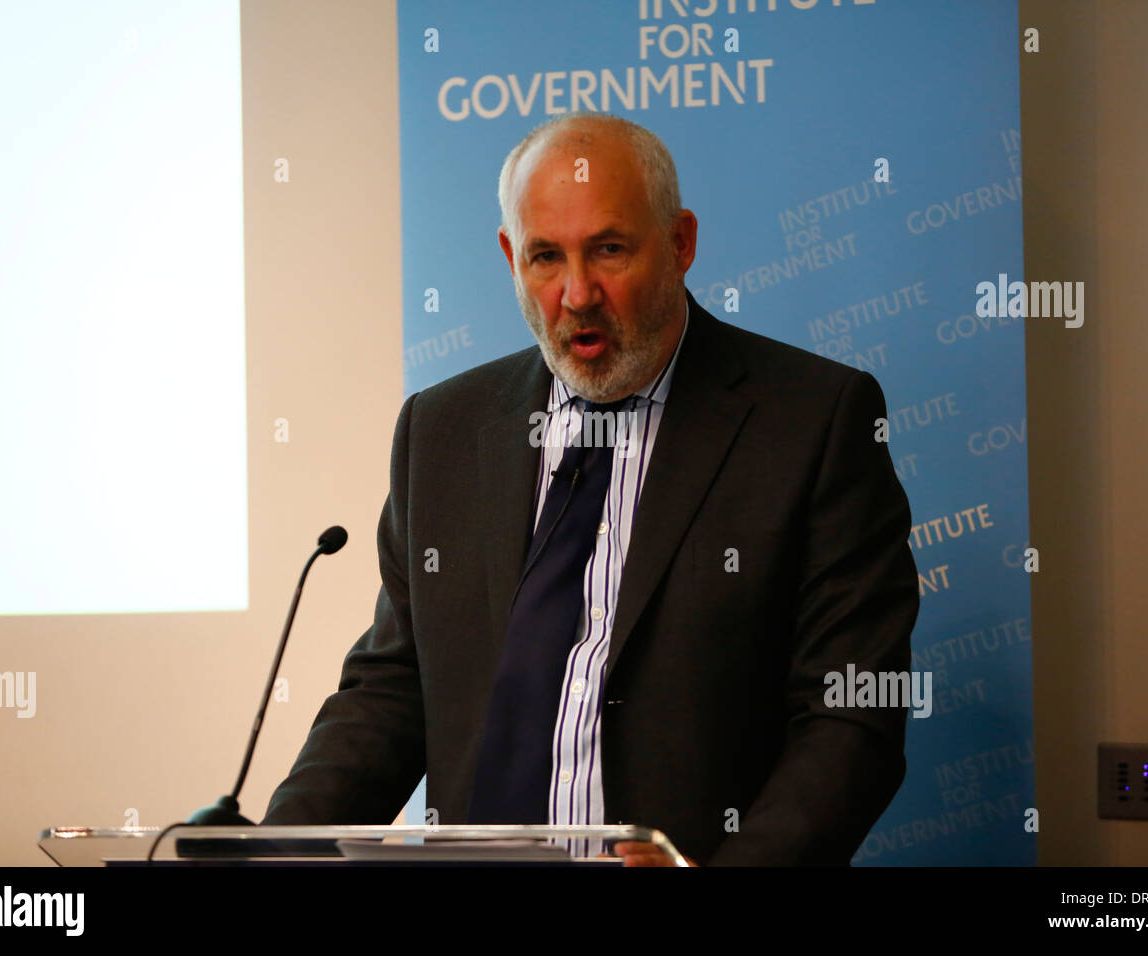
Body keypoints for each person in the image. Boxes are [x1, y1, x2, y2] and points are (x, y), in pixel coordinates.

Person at [262, 113, 920, 866]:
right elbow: (395, 689)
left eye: (608, 249)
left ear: (680, 244)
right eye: (546, 257)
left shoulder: (812, 422)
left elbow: (850, 719)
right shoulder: (440, 430)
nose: (577, 293)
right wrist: (274, 851)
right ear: (512, 258)